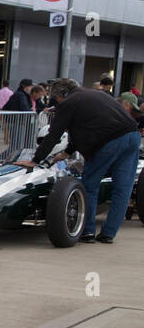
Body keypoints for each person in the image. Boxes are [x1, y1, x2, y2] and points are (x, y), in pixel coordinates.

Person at [17, 78, 140, 243]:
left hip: (108, 141)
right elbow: (90, 127)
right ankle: (108, 234)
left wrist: (35, 160)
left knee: (89, 185)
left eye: (56, 99)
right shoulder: (96, 95)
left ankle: (87, 231)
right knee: (123, 188)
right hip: (132, 136)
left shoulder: (69, 103)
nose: (57, 102)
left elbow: (54, 134)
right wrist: (67, 152)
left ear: (63, 95)